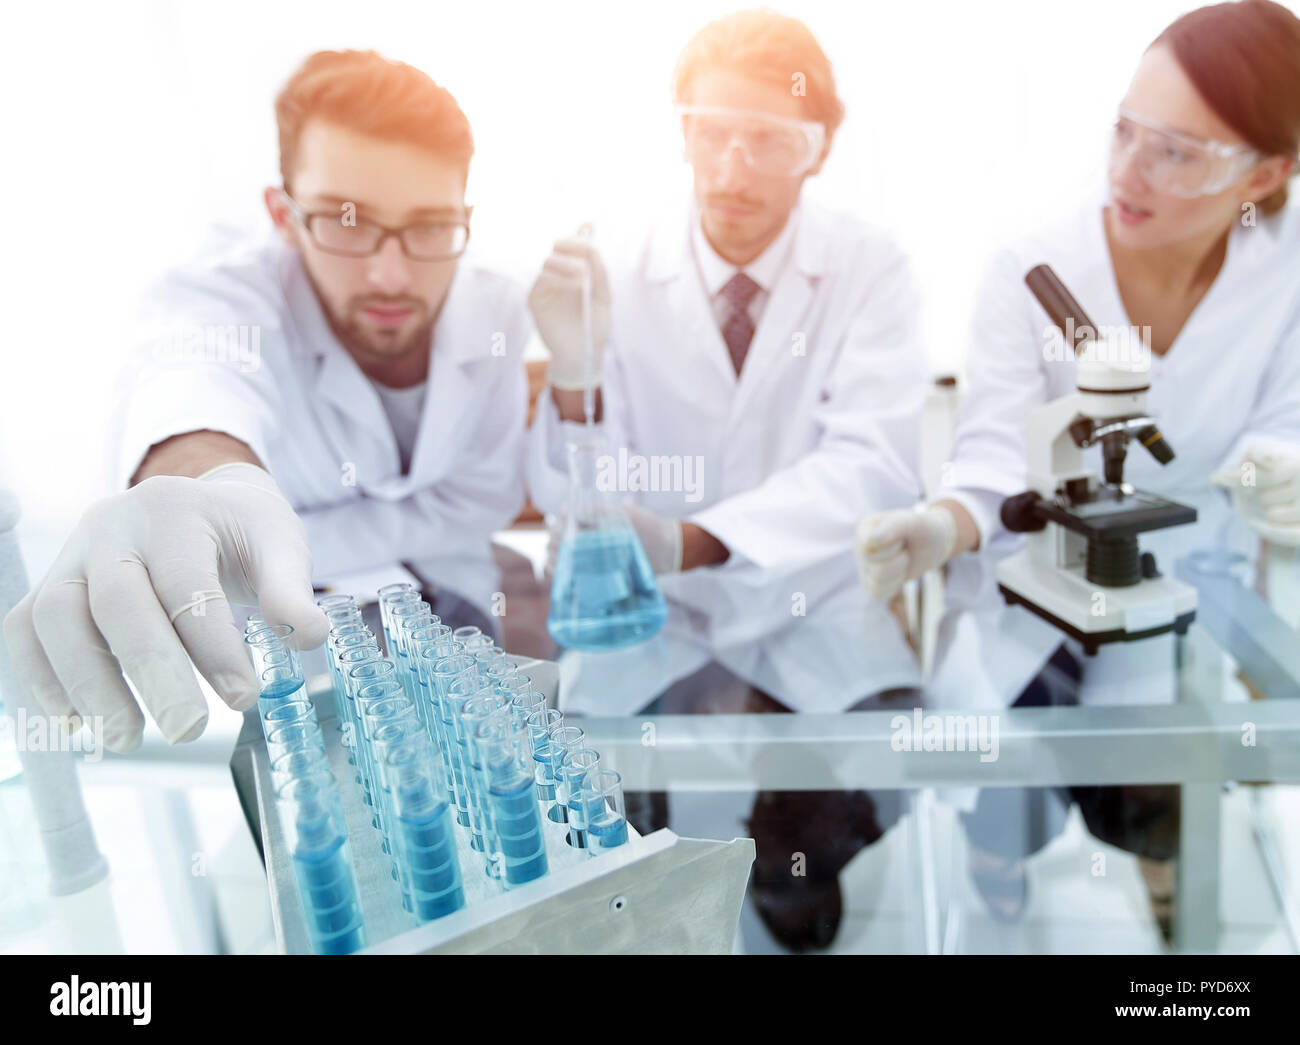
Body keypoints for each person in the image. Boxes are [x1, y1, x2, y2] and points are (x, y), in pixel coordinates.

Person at [856, 0, 1300, 939]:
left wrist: (1283, 470)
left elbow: (1285, 423)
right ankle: (997, 856)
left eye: (1178, 151)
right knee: (1008, 786)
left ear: (1266, 172)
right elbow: (989, 451)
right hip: (1035, 574)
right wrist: (945, 526)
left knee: (1157, 800)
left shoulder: (1288, 273)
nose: (1128, 172)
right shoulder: (1036, 265)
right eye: (1124, 129)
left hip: (1184, 587)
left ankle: (1164, 873)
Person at [526, 10, 929, 950]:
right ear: (682, 132)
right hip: (651, 615)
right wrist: (575, 377)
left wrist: (697, 539)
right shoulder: (614, 266)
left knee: (864, 783)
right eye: (714, 131)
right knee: (606, 824)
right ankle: (655, 900)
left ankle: (797, 866)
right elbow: (571, 496)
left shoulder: (871, 266)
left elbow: (875, 460)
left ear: (818, 152)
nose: (735, 167)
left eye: (771, 140)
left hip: (812, 601)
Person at [3, 50, 530, 756]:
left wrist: (298, 540)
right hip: (315, 664)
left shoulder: (495, 310)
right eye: (348, 222)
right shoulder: (223, 295)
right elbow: (193, 375)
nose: (389, 272)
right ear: (281, 213)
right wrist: (210, 489)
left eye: (430, 226)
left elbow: (484, 500)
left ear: (465, 215)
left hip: (475, 619)